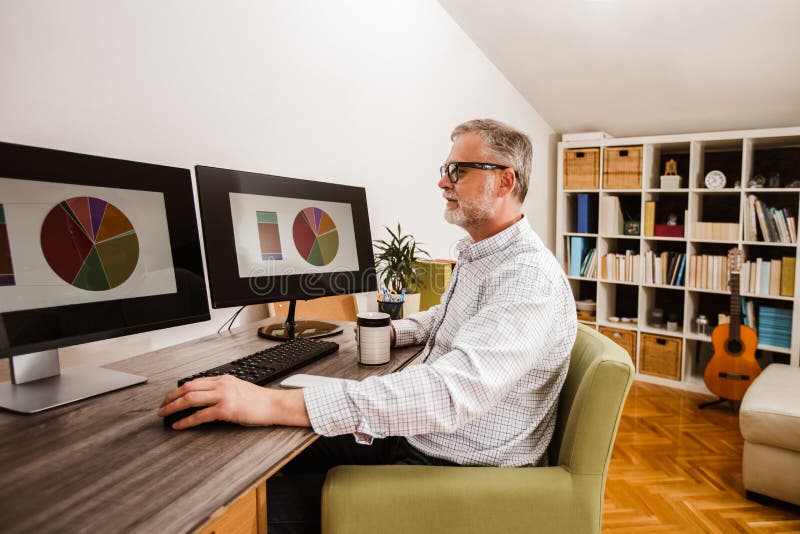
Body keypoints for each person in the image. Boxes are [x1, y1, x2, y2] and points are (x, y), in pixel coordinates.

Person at [158, 118, 577, 533]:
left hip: (456, 465)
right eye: (444, 170)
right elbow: (449, 319)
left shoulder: (526, 278)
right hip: (426, 437)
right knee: (252, 449)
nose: (443, 182)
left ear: (504, 182)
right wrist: (396, 331)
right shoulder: (486, 256)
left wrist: (270, 403)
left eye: (457, 170)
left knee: (243, 512)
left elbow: (451, 394)